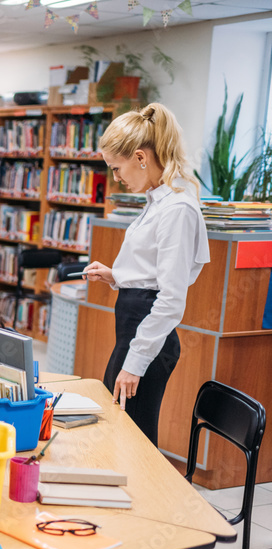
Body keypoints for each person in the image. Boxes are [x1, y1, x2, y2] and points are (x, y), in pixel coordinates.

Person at [84, 102, 210, 445]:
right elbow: (152, 273)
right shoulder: (157, 202)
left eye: (116, 167)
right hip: (132, 331)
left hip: (148, 340)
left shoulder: (177, 209)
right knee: (117, 430)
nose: (116, 178)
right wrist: (116, 276)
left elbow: (170, 300)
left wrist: (136, 363)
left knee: (132, 442)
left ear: (141, 157)